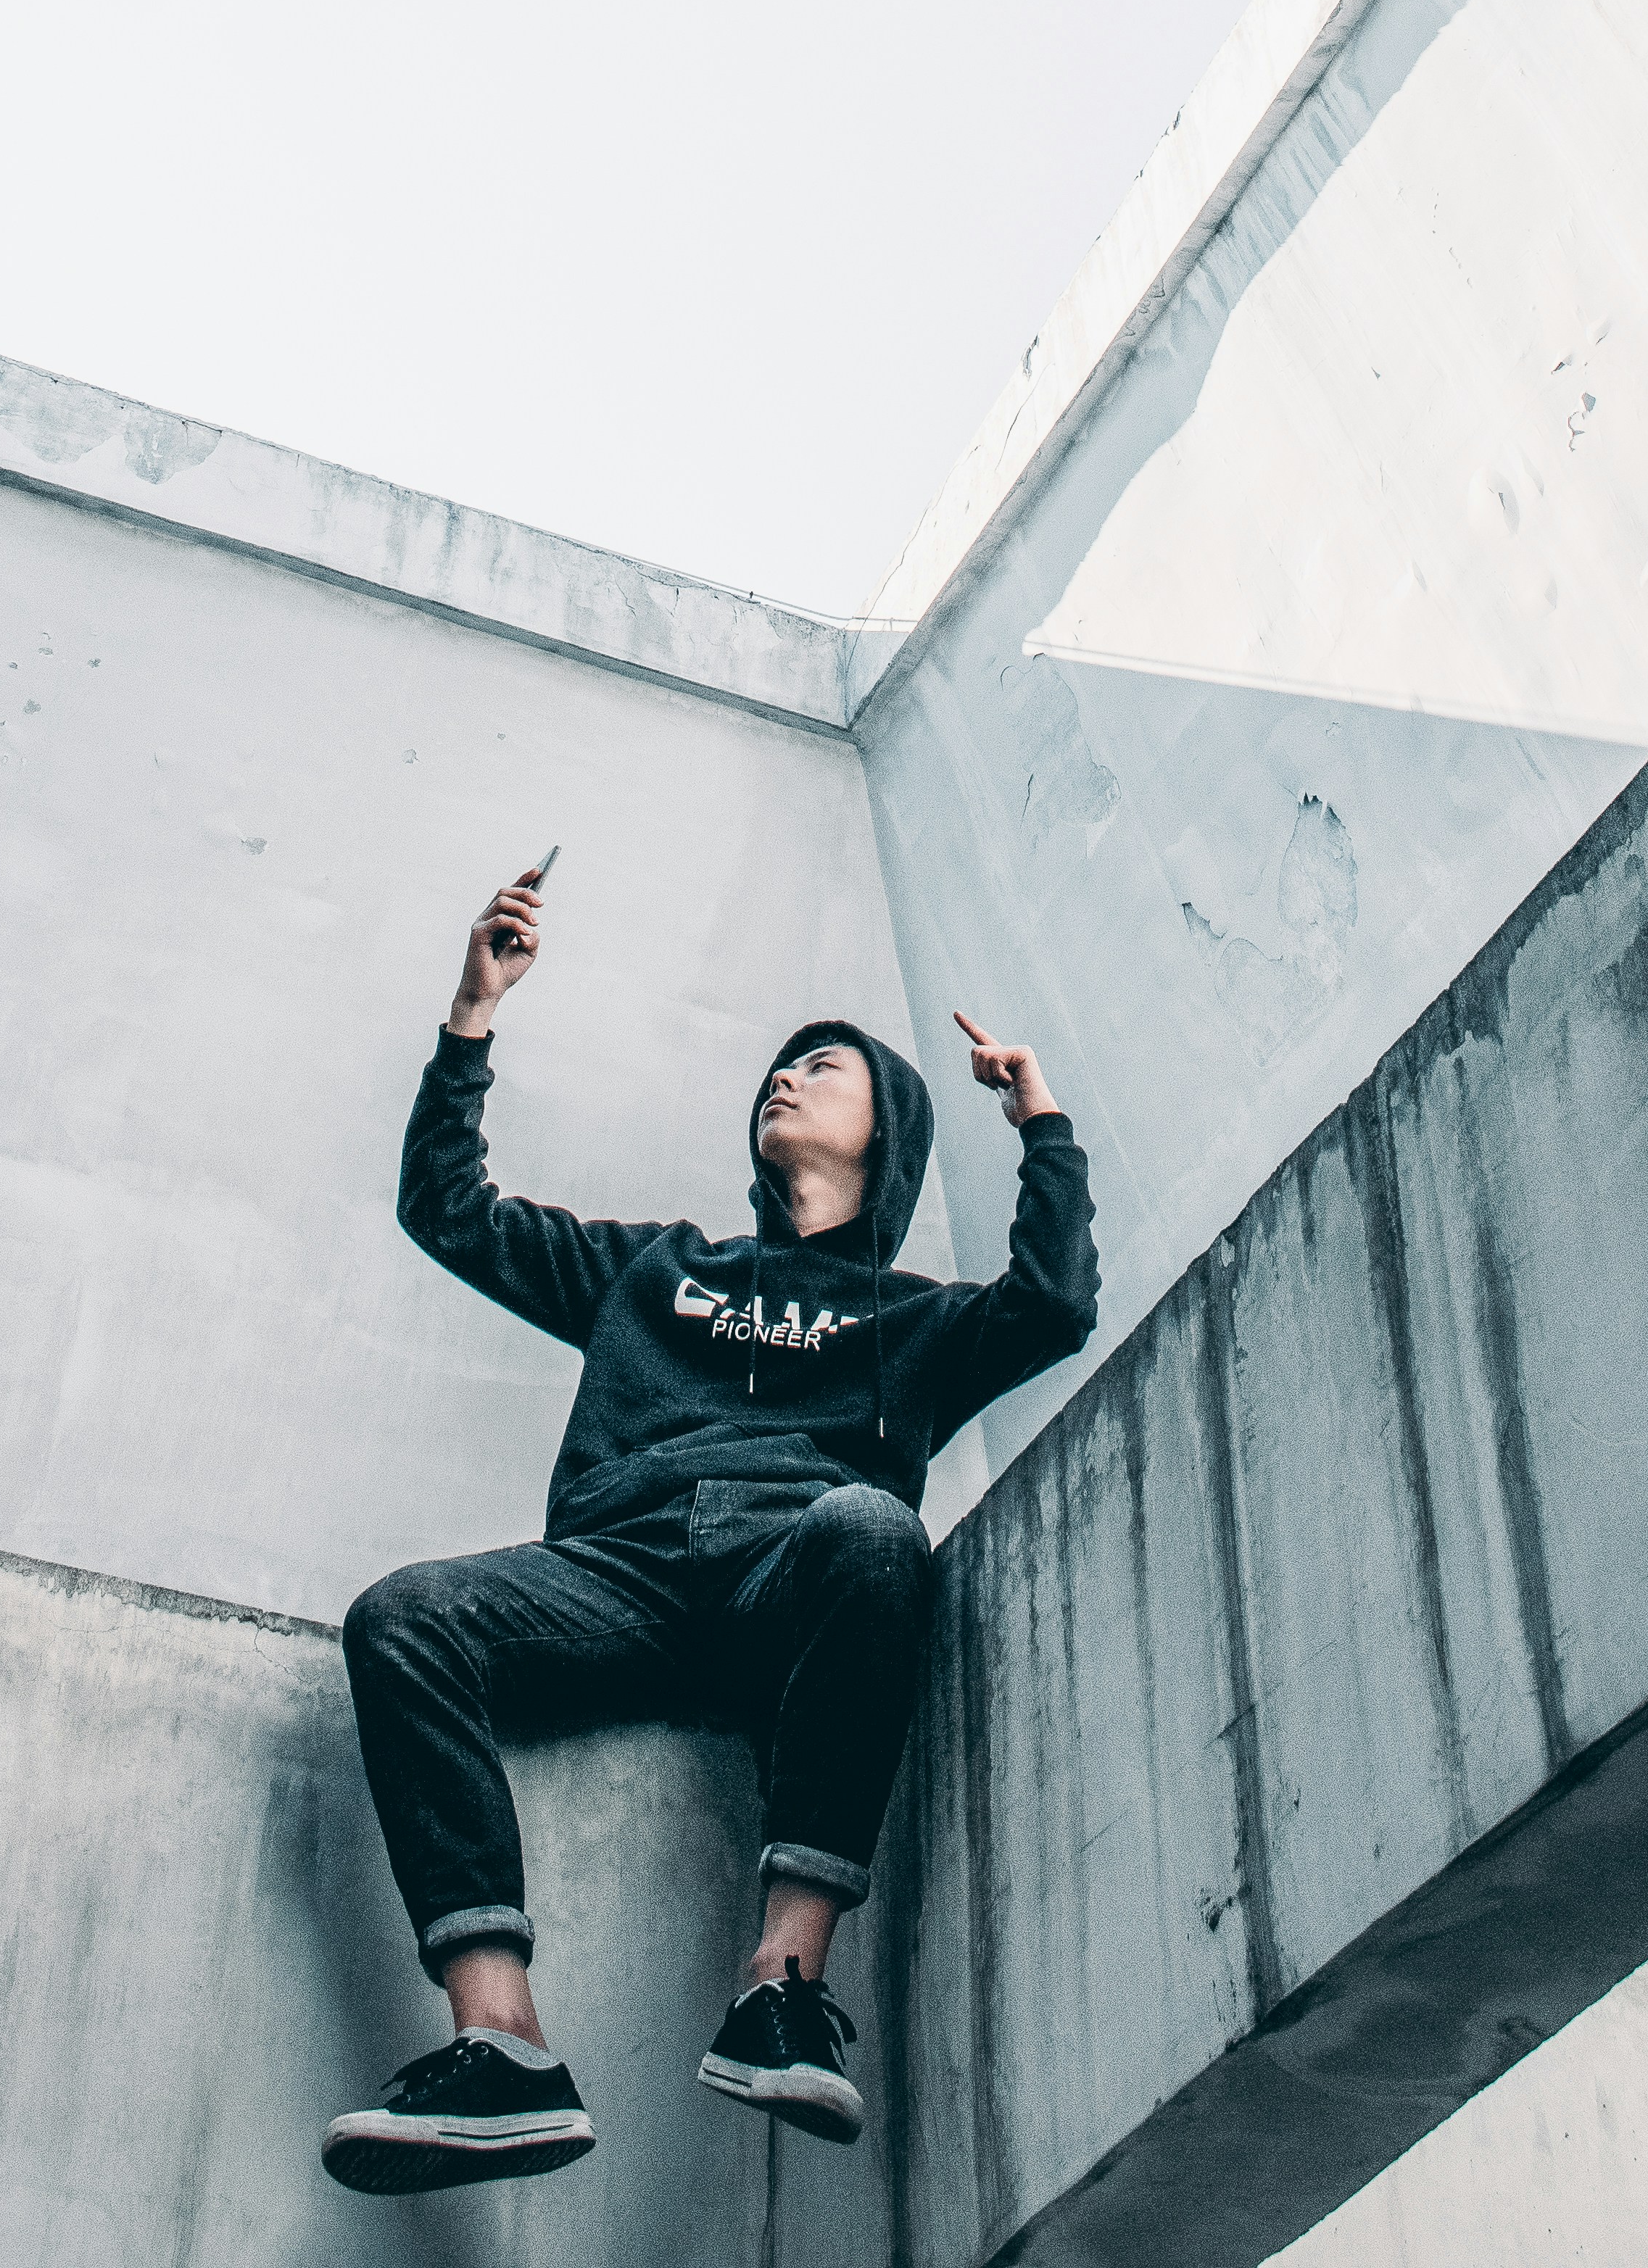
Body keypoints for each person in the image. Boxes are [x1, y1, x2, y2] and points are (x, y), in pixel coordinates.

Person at [320, 857, 1098, 2197]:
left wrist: (1043, 1121)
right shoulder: (653, 1270)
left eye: (827, 1069)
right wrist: (473, 1013)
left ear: (886, 1136)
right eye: (780, 1067)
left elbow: (1053, 1303)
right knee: (404, 1616)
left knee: (870, 1526)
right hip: (612, 1574)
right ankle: (500, 2045)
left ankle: (781, 1988)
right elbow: (450, 1211)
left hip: (788, 1578)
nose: (786, 1078)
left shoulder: (913, 1321)